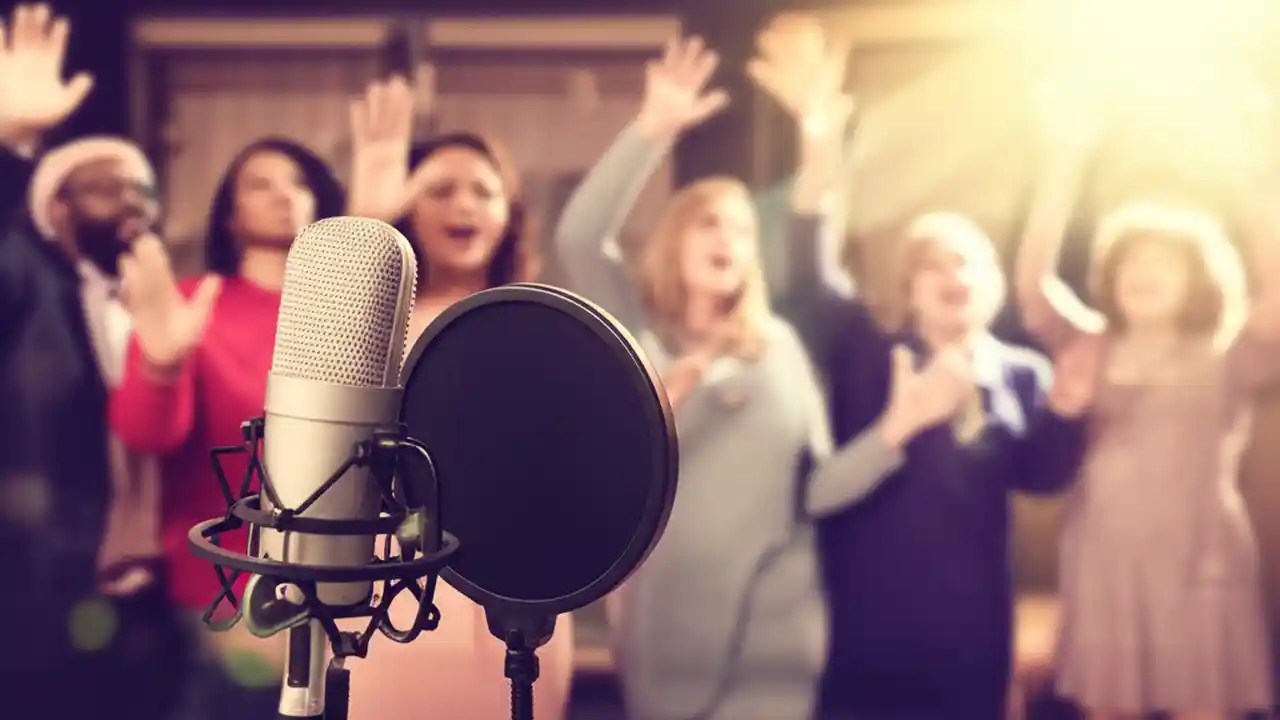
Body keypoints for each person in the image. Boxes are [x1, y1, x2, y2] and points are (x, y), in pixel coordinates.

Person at [748, 15, 1098, 718]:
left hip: (972, 627)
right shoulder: (869, 351)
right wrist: (818, 140)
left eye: (965, 262)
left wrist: (1068, 406)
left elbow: (1041, 475)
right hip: (867, 622)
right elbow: (811, 264)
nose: (951, 275)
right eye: (931, 265)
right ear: (907, 291)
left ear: (991, 284)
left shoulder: (1019, 371)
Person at [555, 36, 842, 720]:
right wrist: (651, 130)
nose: (727, 240)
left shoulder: (779, 348)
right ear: (675, 238)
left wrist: (895, 433)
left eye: (742, 231)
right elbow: (579, 238)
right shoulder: (637, 340)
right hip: (666, 619)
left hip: (776, 622)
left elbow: (818, 481)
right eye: (710, 223)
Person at [1019, 86, 1277, 719]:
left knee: (1203, 705)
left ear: (1199, 279)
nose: (1145, 271)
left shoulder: (1227, 355)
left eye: (1165, 262)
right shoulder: (1087, 344)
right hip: (1105, 561)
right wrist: (1064, 160)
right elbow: (1031, 284)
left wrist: (1255, 173)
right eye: (1132, 260)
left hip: (1201, 561)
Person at [339, 76, 571, 720]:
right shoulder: (375, 320)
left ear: (510, 214)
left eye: (482, 190)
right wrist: (368, 222)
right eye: (440, 190)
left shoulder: (542, 320)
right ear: (408, 207)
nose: (462, 204)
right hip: (392, 594)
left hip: (520, 596)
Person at [111, 137, 346, 719]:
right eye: (260, 183)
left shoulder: (343, 317)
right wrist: (162, 364)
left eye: (298, 182)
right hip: (222, 593)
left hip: (343, 593)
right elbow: (147, 435)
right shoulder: (192, 305)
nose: (284, 195)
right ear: (229, 214)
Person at [0, 4, 183, 719]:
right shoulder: (25, 280)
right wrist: (10, 145)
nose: (132, 202)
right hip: (37, 588)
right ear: (56, 208)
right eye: (108, 188)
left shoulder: (165, 298)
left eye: (143, 189)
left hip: (154, 595)